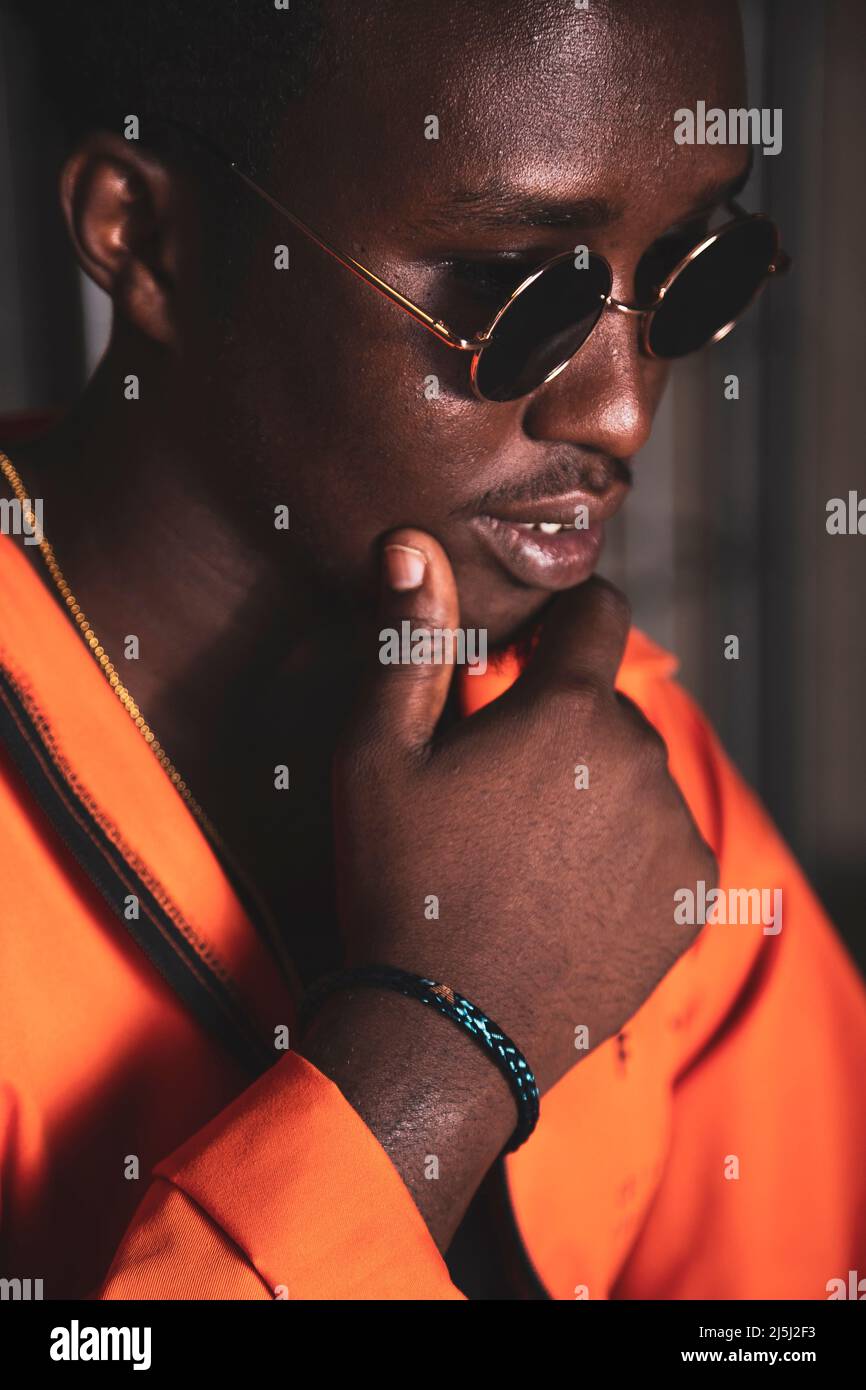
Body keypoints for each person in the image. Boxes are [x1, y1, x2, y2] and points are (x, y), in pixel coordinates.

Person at [1, 0, 864, 1301]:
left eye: (695, 265)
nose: (622, 410)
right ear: (150, 237)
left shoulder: (605, 775)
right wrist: (439, 1054)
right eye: (513, 283)